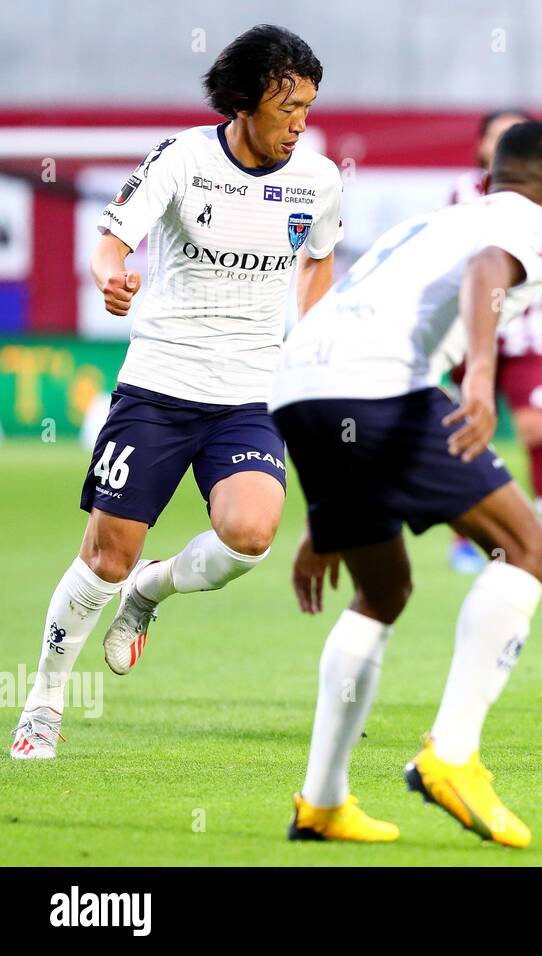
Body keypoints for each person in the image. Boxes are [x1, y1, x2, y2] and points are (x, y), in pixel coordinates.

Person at [11, 24, 342, 759]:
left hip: (251, 392)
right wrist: (110, 278)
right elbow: (110, 241)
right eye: (287, 107)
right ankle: (44, 698)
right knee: (104, 557)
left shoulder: (318, 179)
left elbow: (318, 262)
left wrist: (316, 342)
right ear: (244, 102)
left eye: (309, 109)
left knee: (252, 533)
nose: (299, 124)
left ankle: (151, 592)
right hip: (159, 386)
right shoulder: (182, 159)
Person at [269, 120, 542, 848]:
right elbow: (486, 276)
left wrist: (327, 513)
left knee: (384, 588)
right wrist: (480, 377)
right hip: (381, 392)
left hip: (298, 386)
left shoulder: (431, 220)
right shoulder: (535, 225)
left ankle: (322, 800)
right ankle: (453, 755)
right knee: (530, 545)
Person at [447, 110, 542, 573]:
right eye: (498, 136)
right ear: (484, 146)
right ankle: (466, 538)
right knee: (467, 430)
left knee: (535, 431)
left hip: (526, 336)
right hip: (469, 336)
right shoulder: (462, 194)